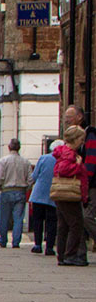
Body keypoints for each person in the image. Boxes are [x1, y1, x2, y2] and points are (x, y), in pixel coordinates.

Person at [52, 125, 89, 266]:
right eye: (81, 139)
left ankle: (62, 256)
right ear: (75, 139)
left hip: (61, 193)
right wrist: (78, 165)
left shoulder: (63, 152)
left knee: (63, 226)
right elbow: (63, 169)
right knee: (76, 224)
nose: (82, 142)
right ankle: (70, 255)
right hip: (69, 193)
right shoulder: (70, 153)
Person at [63, 105, 96, 253]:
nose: (66, 120)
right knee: (79, 219)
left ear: (79, 117)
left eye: (69, 116)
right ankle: (79, 253)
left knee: (87, 217)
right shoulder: (73, 138)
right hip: (79, 184)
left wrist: (85, 180)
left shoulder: (90, 135)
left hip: (91, 184)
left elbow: (91, 162)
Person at [0, 138, 32, 248]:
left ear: (9, 147)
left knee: (4, 218)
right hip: (20, 191)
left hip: (6, 191)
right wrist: (26, 188)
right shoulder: (25, 162)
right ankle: (16, 242)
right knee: (18, 218)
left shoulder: (3, 161)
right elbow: (30, 179)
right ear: (19, 148)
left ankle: (3, 240)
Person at [28, 140, 62, 256]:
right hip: (54, 194)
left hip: (38, 193)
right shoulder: (61, 160)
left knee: (38, 220)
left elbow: (35, 175)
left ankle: (37, 245)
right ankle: (49, 247)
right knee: (51, 222)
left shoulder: (43, 158)